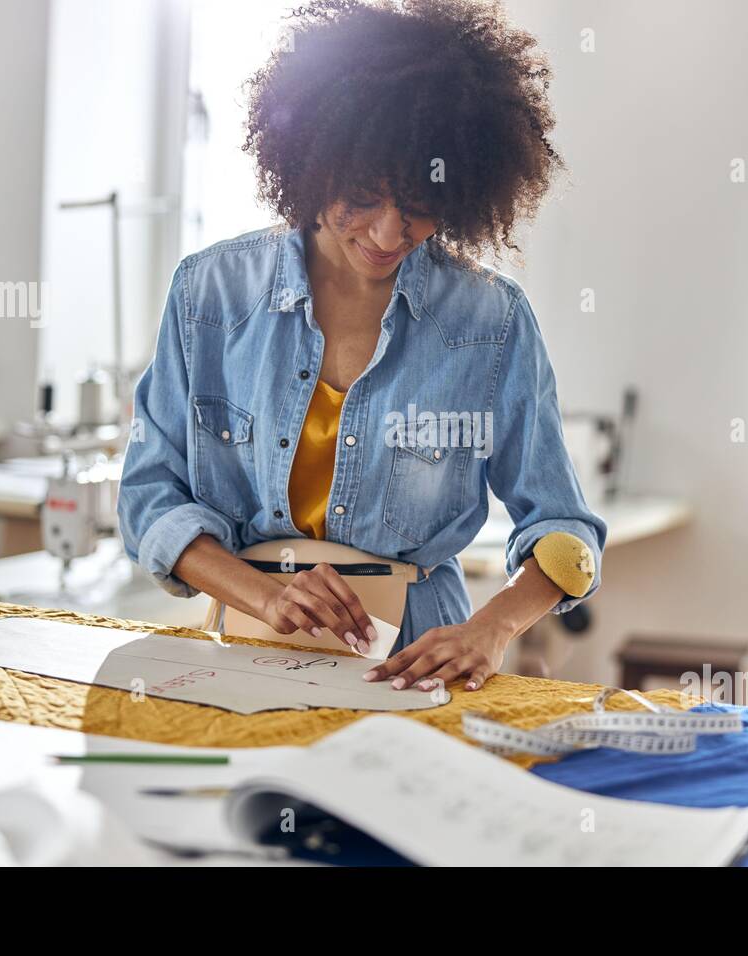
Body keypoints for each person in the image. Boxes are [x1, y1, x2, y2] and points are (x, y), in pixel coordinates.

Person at [118, 0, 605, 693]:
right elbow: (148, 496)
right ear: (312, 168)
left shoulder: (489, 321)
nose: (388, 233)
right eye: (361, 199)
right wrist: (263, 594)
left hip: (414, 662)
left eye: (419, 206)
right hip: (247, 651)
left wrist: (491, 628)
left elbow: (564, 525)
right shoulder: (211, 294)